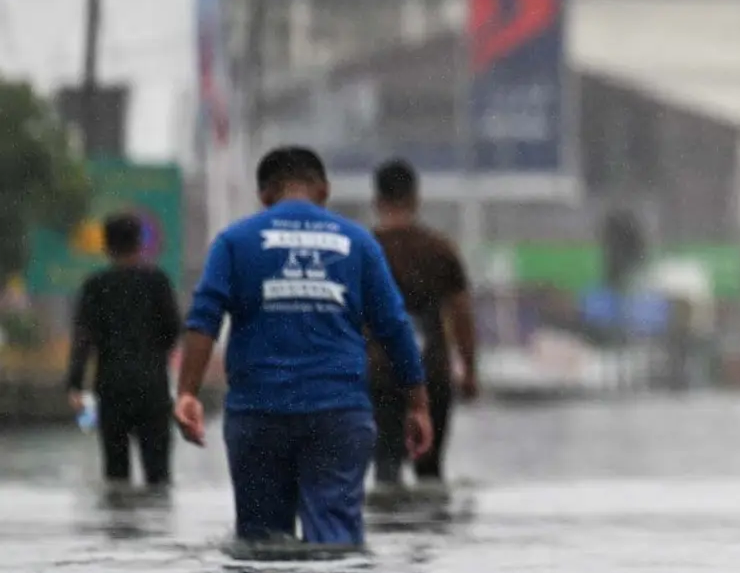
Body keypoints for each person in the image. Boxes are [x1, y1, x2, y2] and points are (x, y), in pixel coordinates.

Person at [174, 147, 431, 546]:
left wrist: (187, 392)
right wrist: (417, 404)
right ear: (324, 191)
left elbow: (204, 318)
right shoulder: (358, 243)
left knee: (262, 545)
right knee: (335, 543)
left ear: (264, 195)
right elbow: (395, 327)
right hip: (339, 414)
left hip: (259, 413)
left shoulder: (234, 242)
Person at [366, 159, 479, 486]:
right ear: (416, 199)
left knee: (386, 470)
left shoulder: (364, 250)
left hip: (378, 375)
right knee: (429, 471)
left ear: (377, 201)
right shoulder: (440, 250)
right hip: (432, 374)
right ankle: (430, 535)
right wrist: (469, 369)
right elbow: (462, 314)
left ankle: (391, 534)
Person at [65, 212, 185, 487]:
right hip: (152, 387)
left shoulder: (96, 286)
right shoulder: (157, 281)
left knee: (115, 474)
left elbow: (83, 338)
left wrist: (74, 384)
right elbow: (173, 329)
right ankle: (159, 527)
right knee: (159, 475)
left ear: (106, 245)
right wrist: (153, 356)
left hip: (111, 388)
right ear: (140, 243)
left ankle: (118, 526)